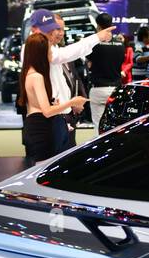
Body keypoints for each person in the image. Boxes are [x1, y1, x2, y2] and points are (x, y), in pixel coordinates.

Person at [26, 9, 112, 152]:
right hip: (47, 117)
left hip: (57, 115)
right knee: (47, 164)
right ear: (35, 29)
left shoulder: (50, 48)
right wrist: (97, 37)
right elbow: (63, 55)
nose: (56, 33)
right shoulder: (38, 50)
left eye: (59, 29)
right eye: (53, 29)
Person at [18, 34, 88, 163]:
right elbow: (47, 111)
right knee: (44, 168)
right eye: (49, 49)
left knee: (42, 167)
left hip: (37, 124)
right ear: (40, 52)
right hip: (42, 126)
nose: (52, 52)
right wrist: (72, 102)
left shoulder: (28, 72)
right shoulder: (37, 76)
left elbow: (40, 106)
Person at [86, 13, 126, 128]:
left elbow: (89, 64)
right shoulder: (120, 44)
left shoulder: (94, 44)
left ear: (98, 26)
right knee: (116, 125)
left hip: (98, 88)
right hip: (116, 89)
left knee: (98, 124)